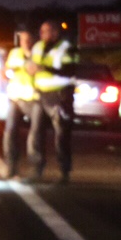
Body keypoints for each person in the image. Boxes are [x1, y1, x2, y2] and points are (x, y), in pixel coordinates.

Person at [27, 19, 78, 183]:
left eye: (46, 31)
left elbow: (70, 71)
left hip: (59, 96)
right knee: (35, 133)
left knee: (61, 134)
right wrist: (30, 69)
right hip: (41, 95)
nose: (42, 34)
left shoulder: (66, 48)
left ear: (55, 32)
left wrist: (44, 68)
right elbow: (32, 65)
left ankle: (64, 172)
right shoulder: (37, 46)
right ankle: (37, 169)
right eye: (41, 31)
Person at [1, 28, 37, 178]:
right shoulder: (14, 53)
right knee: (10, 132)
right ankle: (11, 166)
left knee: (35, 135)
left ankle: (35, 168)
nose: (25, 43)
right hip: (15, 98)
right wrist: (7, 72)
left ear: (33, 41)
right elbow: (6, 71)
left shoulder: (38, 54)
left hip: (33, 99)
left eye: (28, 40)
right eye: (23, 40)